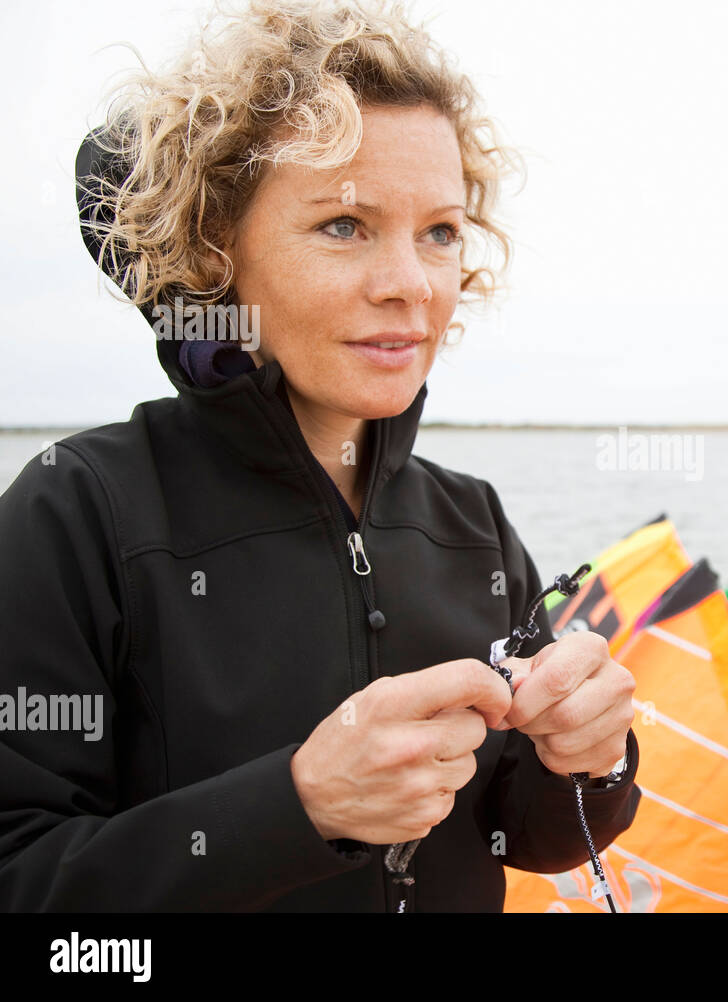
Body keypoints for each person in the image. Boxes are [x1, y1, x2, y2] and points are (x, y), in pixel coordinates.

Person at [0, 0, 640, 912]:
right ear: (216, 250)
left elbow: (528, 833)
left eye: (441, 232)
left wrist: (593, 756)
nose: (410, 285)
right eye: (343, 224)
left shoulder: (472, 524)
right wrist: (296, 805)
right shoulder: (78, 512)